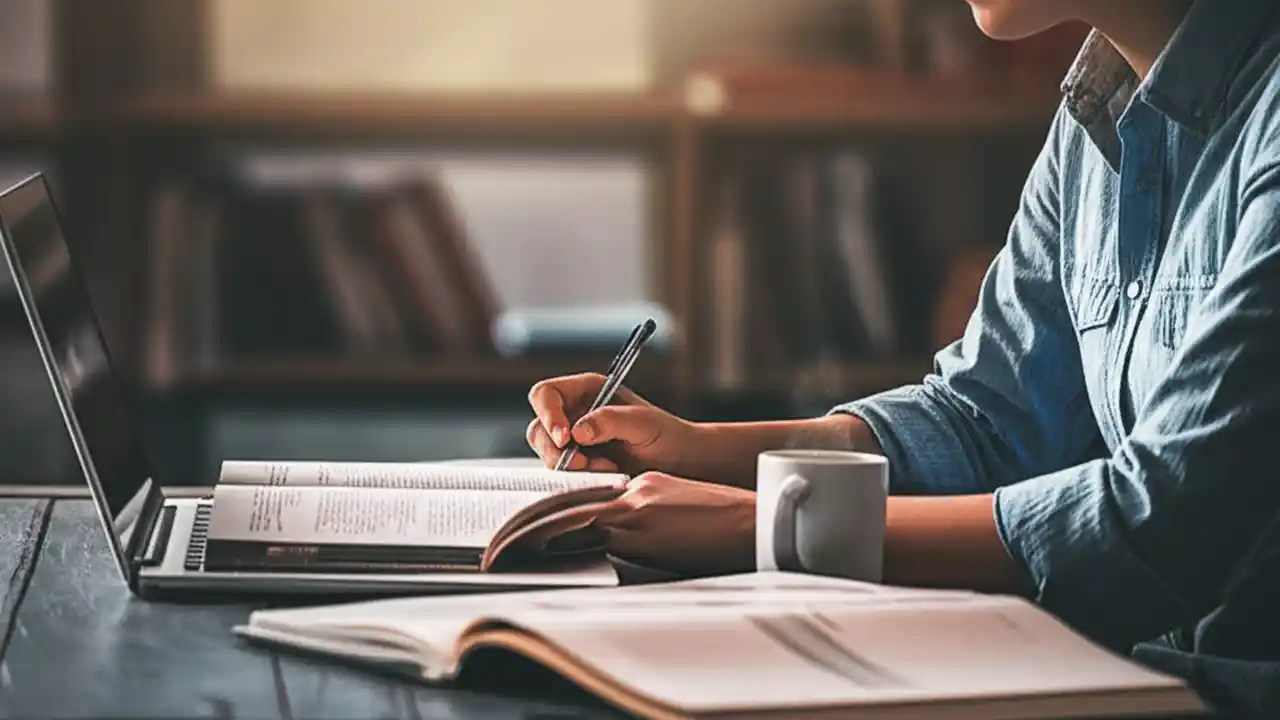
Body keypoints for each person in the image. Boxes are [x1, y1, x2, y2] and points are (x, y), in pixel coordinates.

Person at [527, 0, 1280, 703]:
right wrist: (695, 451)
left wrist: (766, 529)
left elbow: (1163, 524)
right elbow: (986, 420)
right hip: (1116, 679)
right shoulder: (1097, 113)